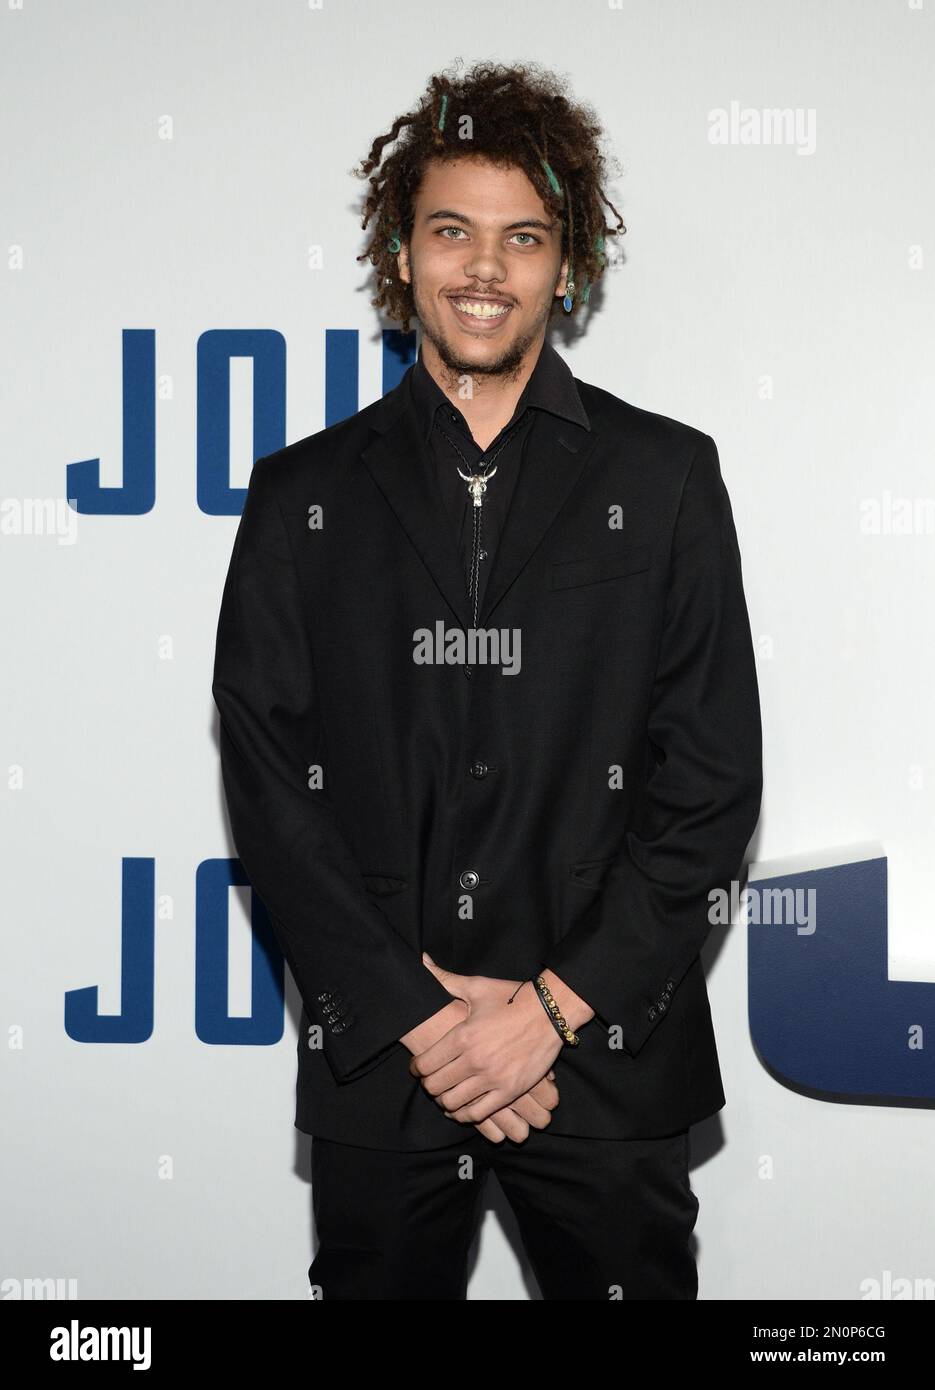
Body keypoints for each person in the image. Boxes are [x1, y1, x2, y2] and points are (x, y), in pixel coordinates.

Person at [211, 59, 763, 1300]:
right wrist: (420, 1017)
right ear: (396, 254)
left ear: (564, 268)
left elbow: (711, 784)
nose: (482, 268)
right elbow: (265, 779)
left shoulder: (666, 477)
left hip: (604, 1057)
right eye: (449, 230)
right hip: (387, 1069)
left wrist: (547, 1011)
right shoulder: (302, 494)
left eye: (522, 238)